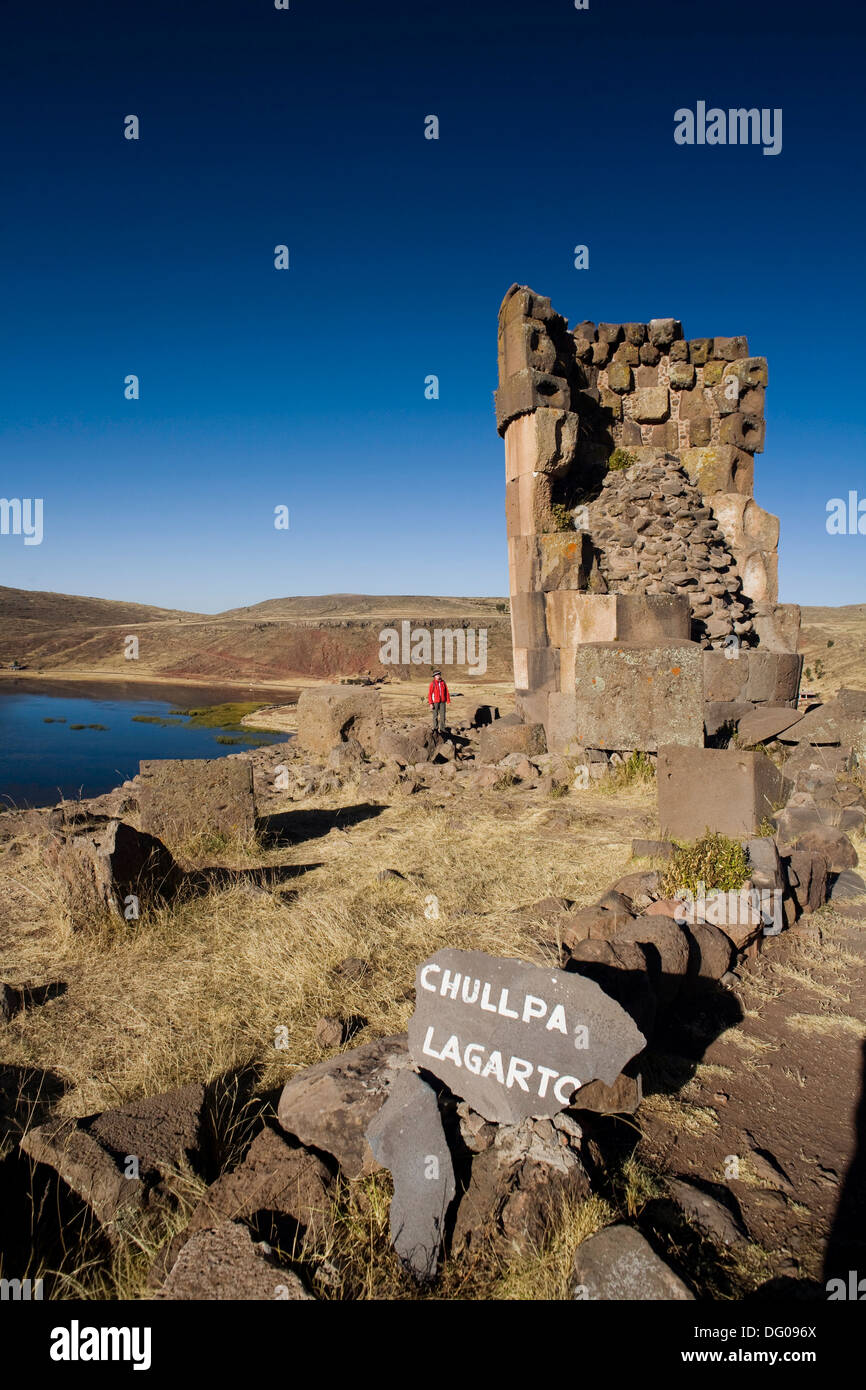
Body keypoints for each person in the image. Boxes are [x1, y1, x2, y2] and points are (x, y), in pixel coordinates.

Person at [428, 668, 450, 734]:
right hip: (435, 702)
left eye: (439, 675)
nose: (438, 676)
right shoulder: (432, 684)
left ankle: (442, 729)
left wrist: (448, 700)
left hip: (443, 702)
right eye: (437, 675)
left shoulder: (443, 682)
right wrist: (431, 703)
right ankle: (435, 728)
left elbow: (446, 692)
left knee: (443, 716)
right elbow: (430, 694)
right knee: (435, 716)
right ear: (434, 676)